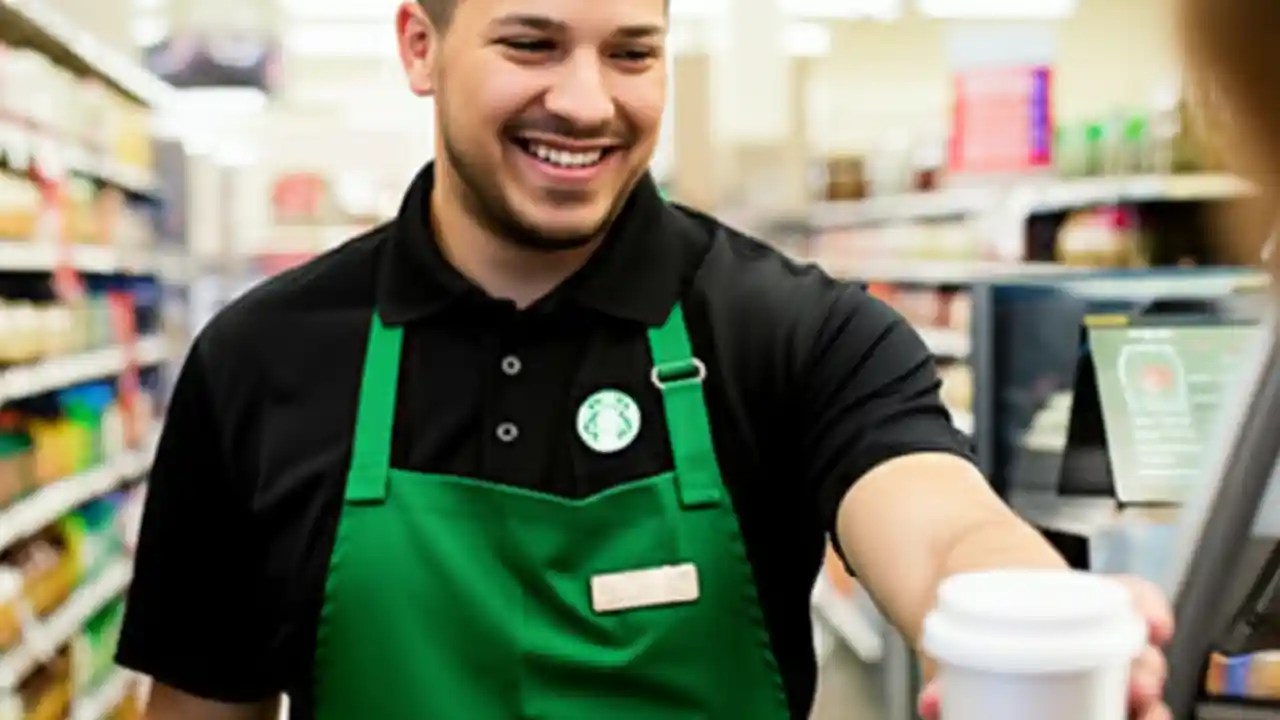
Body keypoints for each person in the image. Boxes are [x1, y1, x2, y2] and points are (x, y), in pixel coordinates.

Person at [117, 1, 1173, 718]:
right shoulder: (263, 360)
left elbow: (942, 526)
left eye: (630, 51)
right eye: (531, 44)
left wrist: (1031, 616)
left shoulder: (792, 333)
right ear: (418, 45)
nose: (586, 102)